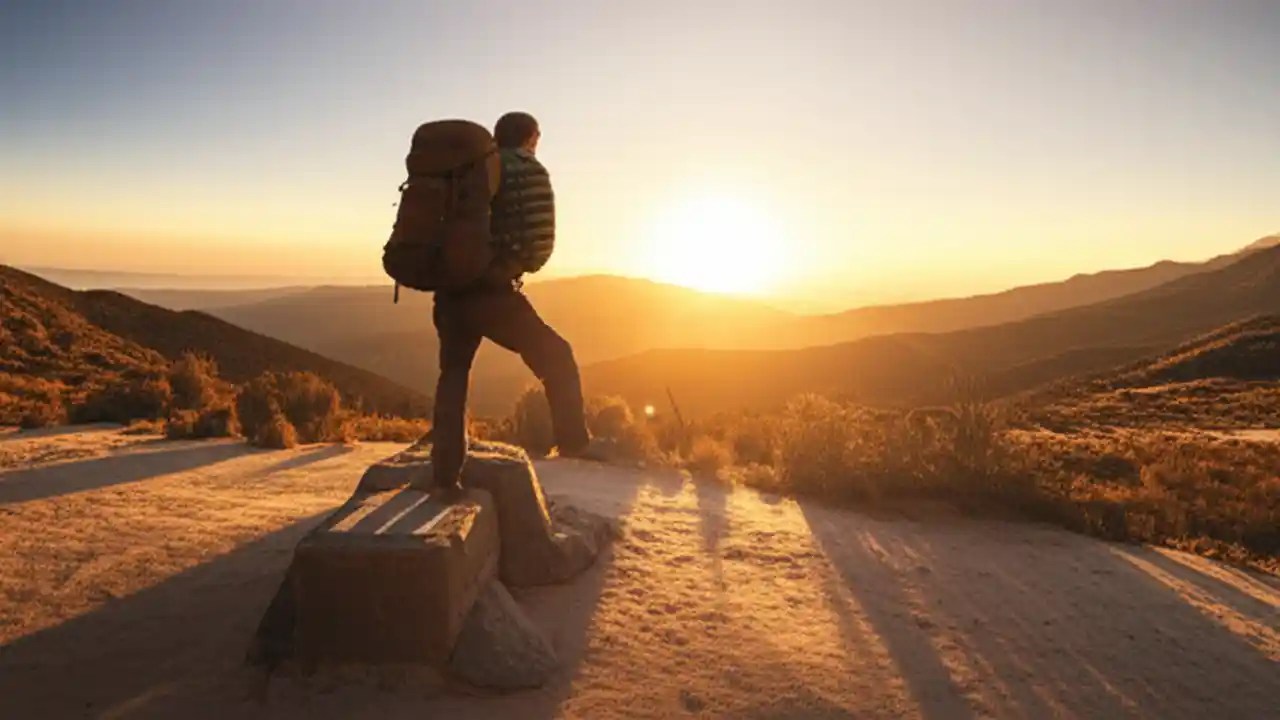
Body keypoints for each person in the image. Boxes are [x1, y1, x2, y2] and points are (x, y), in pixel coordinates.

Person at [429, 111, 598, 493]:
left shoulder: (470, 169)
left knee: (453, 376)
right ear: (530, 138)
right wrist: (516, 262)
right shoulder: (526, 168)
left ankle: (444, 477)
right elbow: (539, 246)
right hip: (493, 293)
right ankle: (574, 442)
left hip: (449, 291)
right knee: (556, 356)